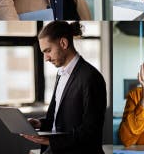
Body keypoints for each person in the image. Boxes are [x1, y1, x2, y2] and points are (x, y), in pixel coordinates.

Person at [19, 21, 106, 154]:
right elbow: (59, 119)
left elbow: (90, 131)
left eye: (48, 51)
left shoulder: (91, 77)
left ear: (63, 43)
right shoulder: (61, 74)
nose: (46, 58)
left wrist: (49, 141)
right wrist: (40, 123)